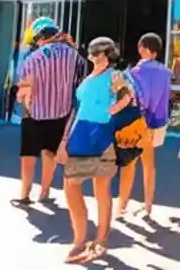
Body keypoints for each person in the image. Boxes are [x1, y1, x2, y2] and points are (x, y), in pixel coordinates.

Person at [57, 36, 133, 264]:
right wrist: (63, 140)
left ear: (108, 54)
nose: (94, 56)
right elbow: (76, 109)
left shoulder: (115, 75)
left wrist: (110, 110)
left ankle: (100, 241)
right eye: (92, 52)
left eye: (99, 52)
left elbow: (128, 96)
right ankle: (79, 239)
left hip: (101, 135)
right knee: (71, 185)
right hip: (80, 135)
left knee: (102, 189)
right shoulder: (87, 77)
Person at [12, 17, 81, 207]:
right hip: (61, 113)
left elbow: (26, 89)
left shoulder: (34, 58)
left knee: (28, 155)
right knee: (49, 152)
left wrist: (22, 100)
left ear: (40, 37)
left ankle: (25, 193)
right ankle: (44, 191)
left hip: (35, 113)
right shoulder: (73, 55)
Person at [118, 32, 172, 218]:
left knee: (128, 165)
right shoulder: (166, 73)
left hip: (136, 123)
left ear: (142, 48)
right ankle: (148, 205)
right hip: (155, 123)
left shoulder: (132, 73)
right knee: (149, 165)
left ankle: (122, 205)